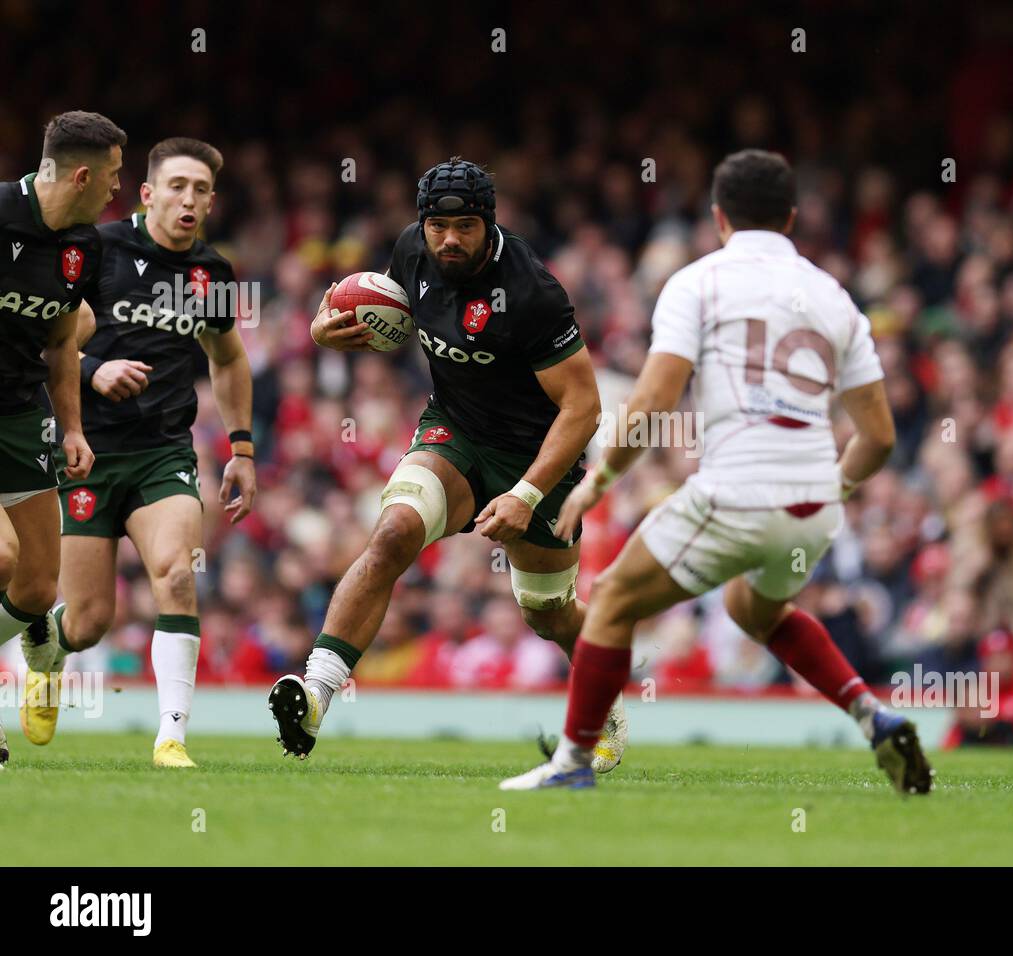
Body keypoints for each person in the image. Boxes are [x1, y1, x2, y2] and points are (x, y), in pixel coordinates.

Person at [500, 149, 932, 793]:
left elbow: (652, 400)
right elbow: (880, 437)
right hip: (814, 509)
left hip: (738, 492)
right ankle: (873, 715)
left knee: (613, 598)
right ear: (790, 216)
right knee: (753, 608)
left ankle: (571, 764)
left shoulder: (698, 282)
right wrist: (829, 489)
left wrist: (598, 482)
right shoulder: (833, 296)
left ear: (718, 216)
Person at [269, 159, 627, 769]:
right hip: (453, 434)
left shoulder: (532, 292)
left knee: (548, 613)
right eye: (438, 225)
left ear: (489, 224)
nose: (449, 239)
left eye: (464, 225)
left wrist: (527, 495)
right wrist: (325, 333)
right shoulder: (411, 251)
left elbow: (583, 408)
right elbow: (383, 321)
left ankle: (605, 704)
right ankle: (316, 695)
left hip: (538, 456)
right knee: (393, 533)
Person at [19, 138, 257, 768]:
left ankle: (171, 738)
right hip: (84, 450)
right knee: (90, 619)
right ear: (148, 193)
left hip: (163, 452)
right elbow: (49, 338)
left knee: (178, 574)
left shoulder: (213, 273)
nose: (190, 199)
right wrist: (92, 367)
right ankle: (47, 649)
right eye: (177, 185)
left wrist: (243, 449)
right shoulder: (96, 249)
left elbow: (228, 357)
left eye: (202, 189)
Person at [0, 111, 125, 766]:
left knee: (36, 589)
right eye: (112, 175)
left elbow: (59, 342)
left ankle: (36, 643)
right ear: (82, 174)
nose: (116, 188)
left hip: (22, 415)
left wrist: (72, 427)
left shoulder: (85, 248)